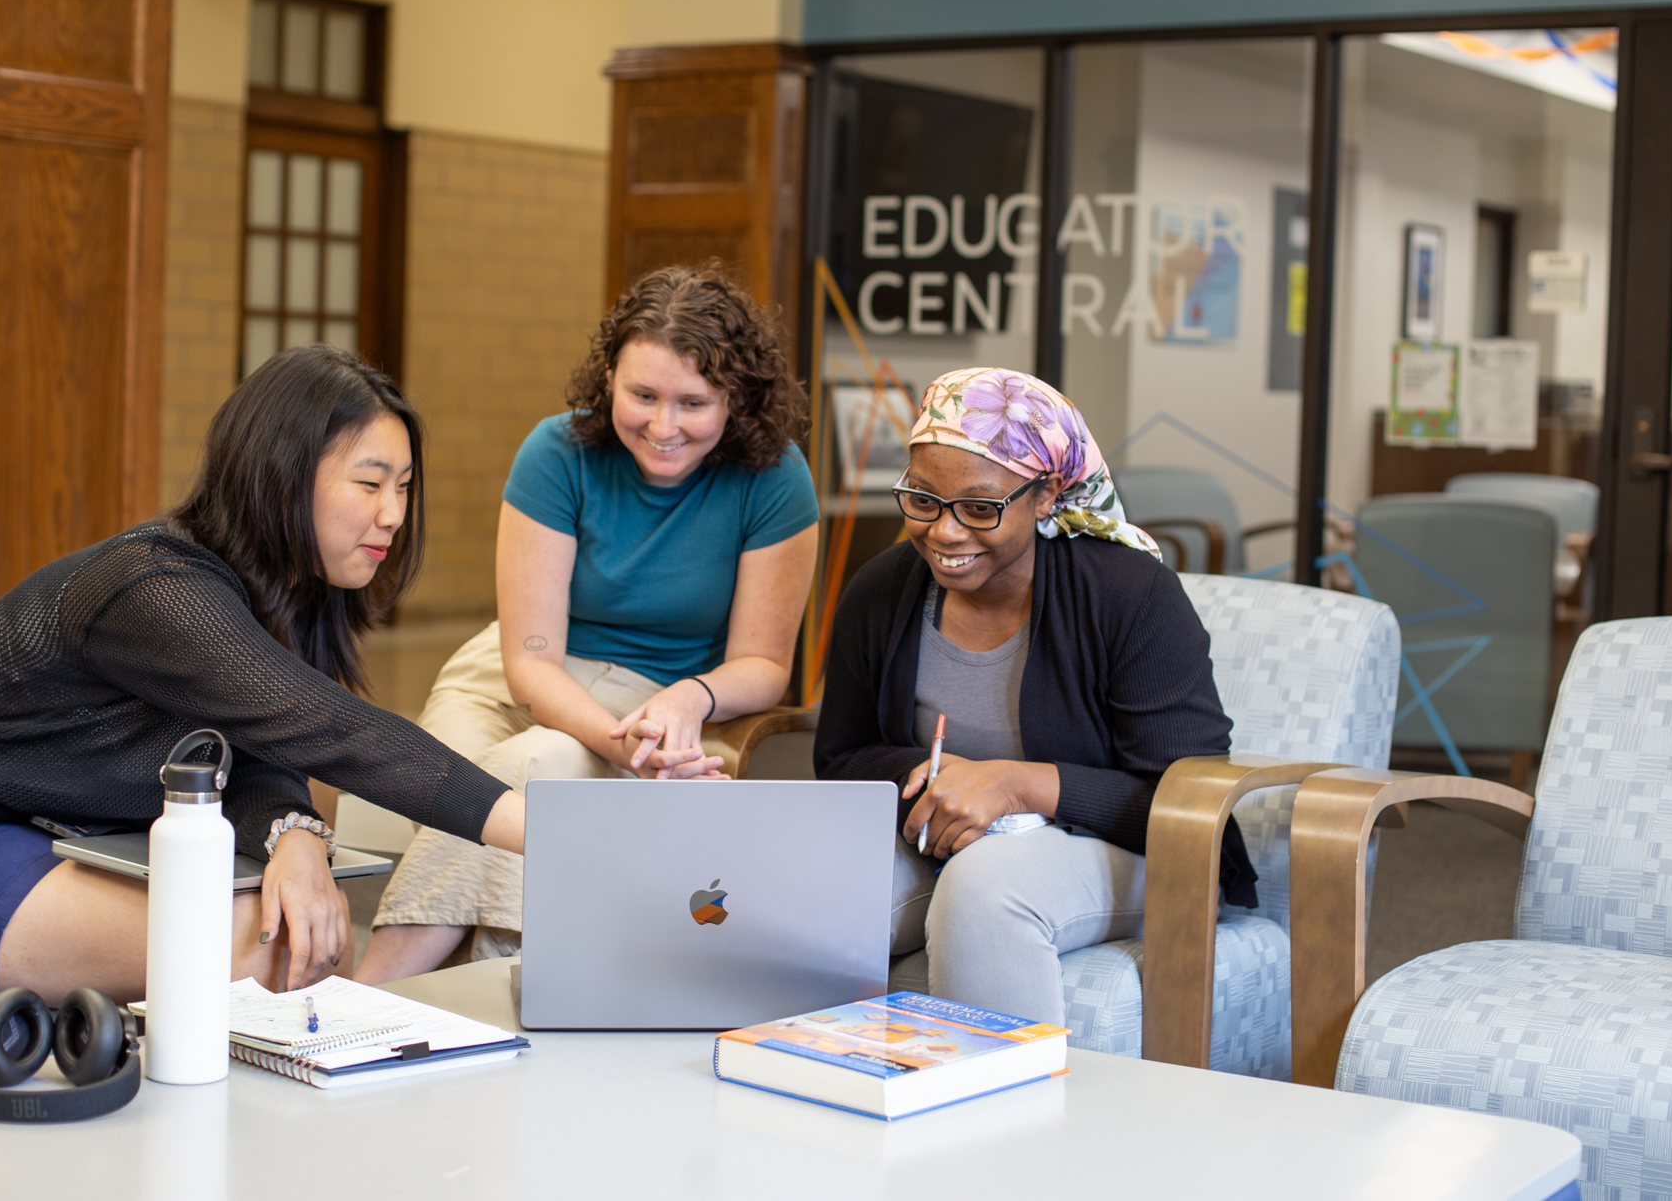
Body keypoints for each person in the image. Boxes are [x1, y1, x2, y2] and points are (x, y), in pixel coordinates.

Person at [0, 345, 530, 1002]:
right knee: (270, 949)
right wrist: (543, 830)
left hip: (83, 839)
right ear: (283, 478)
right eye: (370, 483)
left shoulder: (284, 593)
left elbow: (265, 745)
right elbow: (327, 727)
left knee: (315, 936)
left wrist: (296, 835)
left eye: (404, 487)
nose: (393, 514)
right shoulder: (153, 586)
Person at [356, 266, 819, 983]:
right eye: (642, 395)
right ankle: (437, 1012)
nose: (664, 427)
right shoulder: (558, 449)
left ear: (737, 397)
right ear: (608, 377)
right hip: (521, 669)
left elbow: (763, 664)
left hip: (656, 693)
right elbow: (532, 662)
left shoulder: (775, 476)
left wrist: (689, 699)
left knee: (534, 775)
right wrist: (618, 747)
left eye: (693, 402)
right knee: (456, 793)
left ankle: (379, 994)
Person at [813, 366, 1257, 1027]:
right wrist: (936, 780)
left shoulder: (1130, 595)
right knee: (817, 889)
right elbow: (841, 756)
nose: (945, 532)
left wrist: (1018, 787)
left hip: (1133, 851)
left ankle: (999, 1125)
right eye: (923, 499)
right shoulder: (883, 590)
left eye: (980, 507)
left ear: (1045, 493)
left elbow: (1187, 798)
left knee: (984, 890)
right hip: (941, 840)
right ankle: (809, 1101)